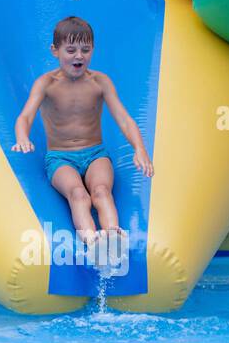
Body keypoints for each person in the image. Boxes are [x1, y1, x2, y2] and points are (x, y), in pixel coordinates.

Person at [12, 17, 153, 246]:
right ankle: (92, 240)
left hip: (96, 154)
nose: (79, 56)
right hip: (60, 157)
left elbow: (125, 120)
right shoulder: (46, 84)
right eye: (71, 50)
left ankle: (113, 236)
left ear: (93, 50)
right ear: (55, 51)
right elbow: (25, 116)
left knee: (101, 191)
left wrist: (140, 149)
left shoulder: (100, 82)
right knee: (78, 193)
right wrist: (22, 137)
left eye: (85, 50)